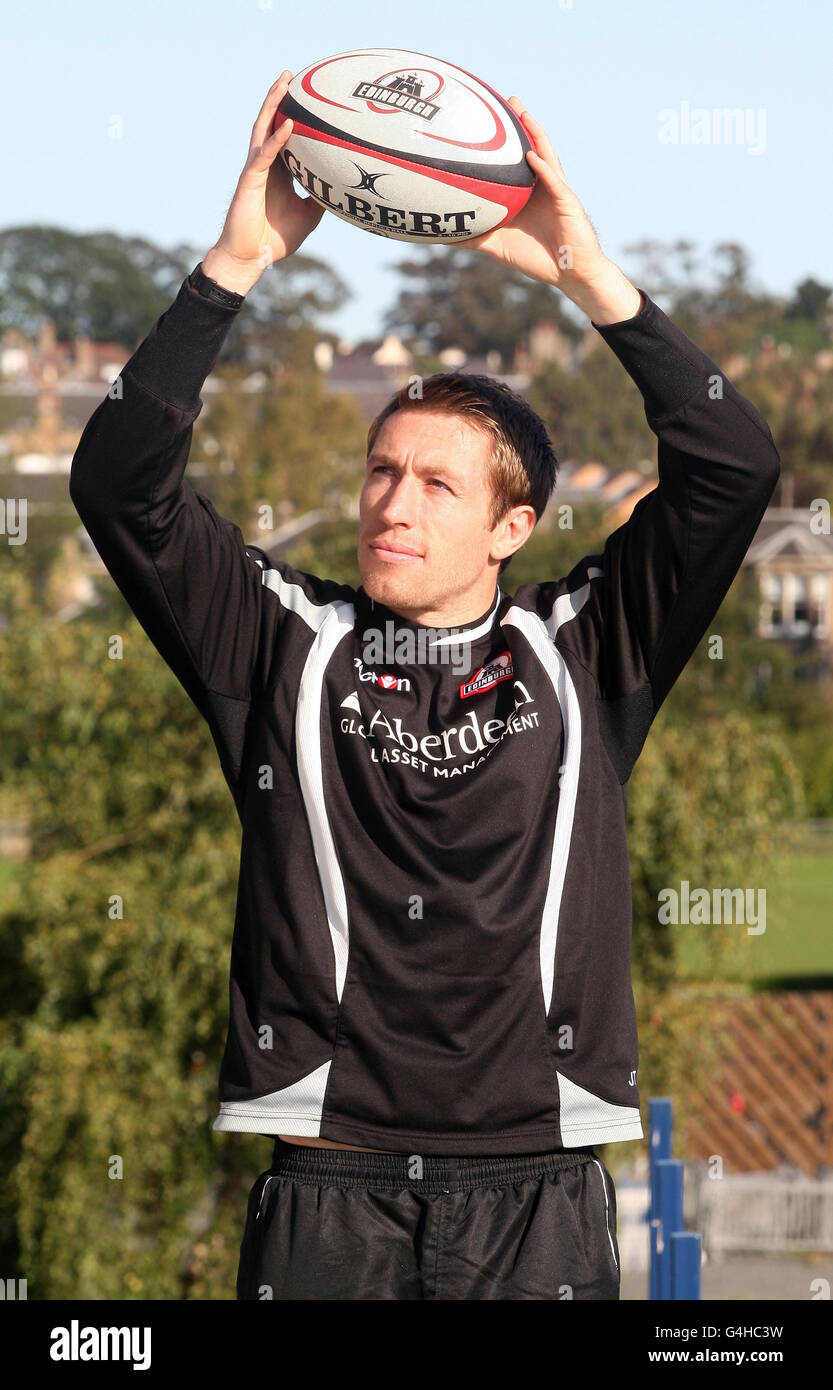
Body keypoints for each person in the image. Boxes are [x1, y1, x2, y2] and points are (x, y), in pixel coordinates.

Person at [69, 72, 781, 1300]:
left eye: (437, 485)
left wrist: (584, 277)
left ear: (513, 524)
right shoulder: (276, 640)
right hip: (324, 1185)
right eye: (379, 471)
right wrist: (231, 267)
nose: (392, 504)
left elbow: (730, 466)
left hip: (536, 1191)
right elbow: (118, 483)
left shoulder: (588, 645)